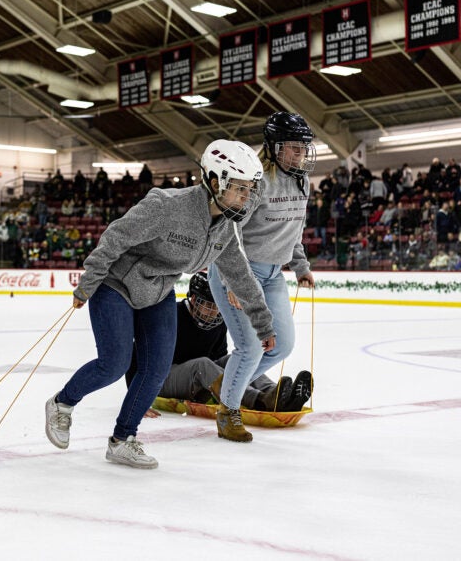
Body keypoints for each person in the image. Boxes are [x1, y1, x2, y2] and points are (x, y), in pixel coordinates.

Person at [44, 140, 276, 469]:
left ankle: (123, 440)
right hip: (116, 285)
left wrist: (263, 324)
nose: (246, 197)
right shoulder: (167, 207)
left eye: (250, 190)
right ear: (215, 182)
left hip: (159, 291)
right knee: (115, 365)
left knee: (156, 370)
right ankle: (61, 404)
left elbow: (240, 276)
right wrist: (89, 281)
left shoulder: (225, 227)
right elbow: (115, 236)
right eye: (239, 188)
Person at [207, 112, 316, 443]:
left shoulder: (301, 181)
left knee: (282, 344)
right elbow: (230, 230)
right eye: (293, 148)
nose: (299, 155)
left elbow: (293, 229)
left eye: (303, 148)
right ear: (274, 147)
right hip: (241, 271)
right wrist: (233, 282)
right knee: (251, 346)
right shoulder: (255, 181)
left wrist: (300, 266)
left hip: (272, 274)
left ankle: (224, 383)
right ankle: (228, 412)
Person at [128, 273, 311, 416]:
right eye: (207, 305)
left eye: (217, 306)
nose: (214, 311)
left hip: (197, 377)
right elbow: (136, 354)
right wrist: (136, 400)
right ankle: (260, 400)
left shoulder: (218, 321)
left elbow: (219, 359)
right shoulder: (172, 316)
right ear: (193, 300)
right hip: (161, 379)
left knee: (235, 359)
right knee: (203, 364)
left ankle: (277, 394)